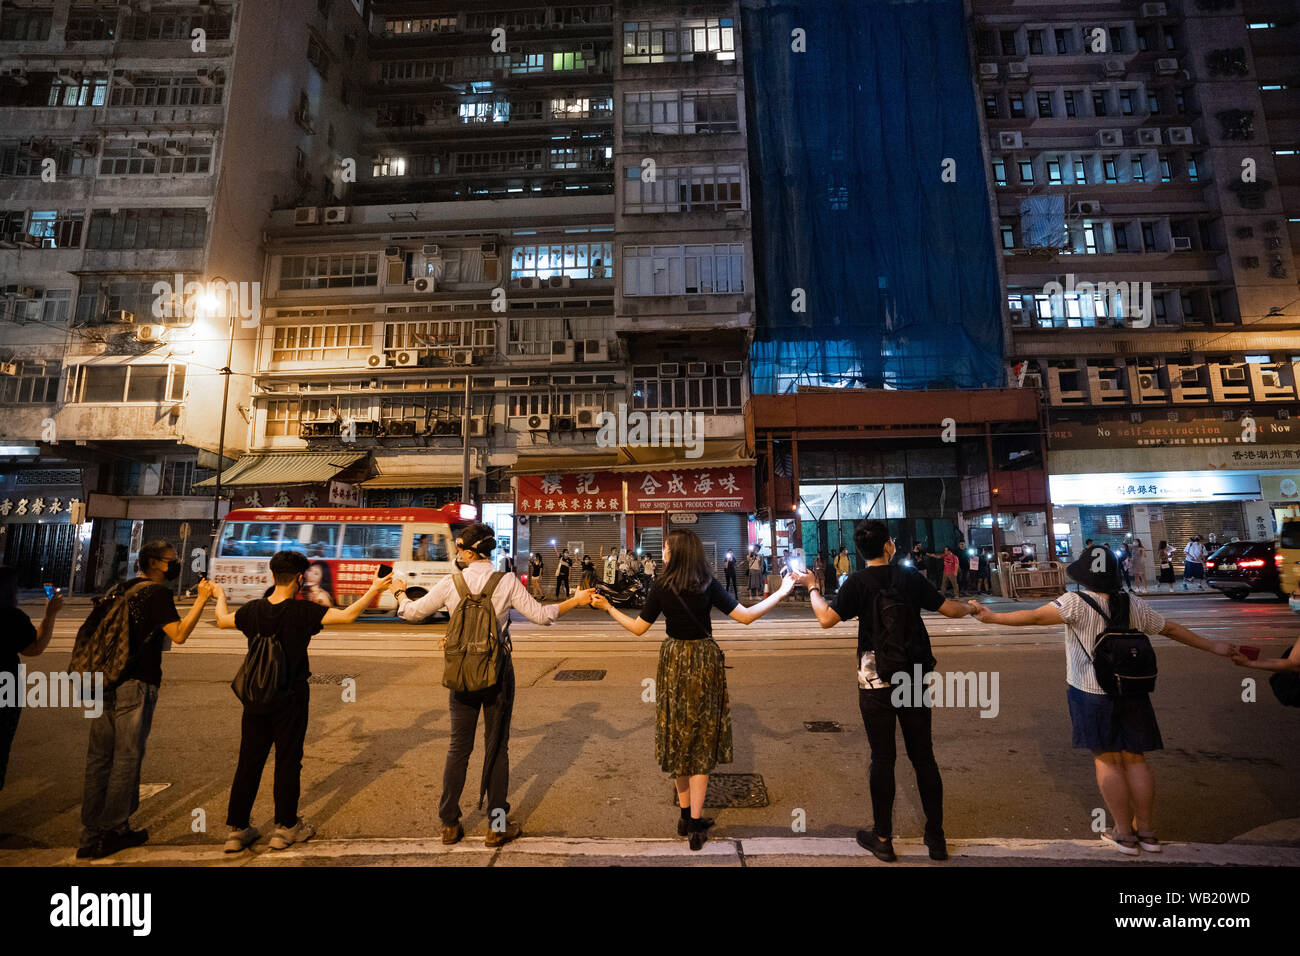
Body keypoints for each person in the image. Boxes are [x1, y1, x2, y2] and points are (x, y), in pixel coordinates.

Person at [967, 545, 1232, 855]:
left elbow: (1036, 618)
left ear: (1086, 577)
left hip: (1090, 693)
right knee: (1135, 758)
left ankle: (1123, 834)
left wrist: (991, 617)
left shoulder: (1075, 603)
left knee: (1107, 759)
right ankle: (1146, 831)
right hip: (1132, 690)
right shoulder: (1134, 604)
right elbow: (1170, 629)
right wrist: (1213, 646)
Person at [591, 529, 795, 850]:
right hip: (703, 661)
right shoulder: (707, 585)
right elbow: (746, 617)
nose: (664, 552)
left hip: (673, 661)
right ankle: (696, 823)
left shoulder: (662, 586)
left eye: (668, 548)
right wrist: (781, 592)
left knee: (677, 734)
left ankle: (686, 816)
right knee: (700, 738)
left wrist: (609, 608)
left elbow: (638, 628)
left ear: (678, 553)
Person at [394, 523, 593, 846]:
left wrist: (399, 592)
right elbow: (542, 616)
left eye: (460, 549)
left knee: (459, 748)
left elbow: (413, 612)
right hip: (497, 674)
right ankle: (497, 825)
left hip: (461, 674)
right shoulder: (506, 581)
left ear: (470, 552)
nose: (458, 553)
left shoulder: (451, 582)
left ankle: (449, 824)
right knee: (497, 748)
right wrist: (577, 601)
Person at [798, 521, 975, 862]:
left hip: (875, 680)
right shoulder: (909, 578)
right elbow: (949, 608)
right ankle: (936, 838)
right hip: (911, 677)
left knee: (882, 758)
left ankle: (883, 839)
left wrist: (812, 587)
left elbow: (825, 619)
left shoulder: (857, 583)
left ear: (861, 551)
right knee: (923, 757)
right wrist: (972, 608)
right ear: (889, 547)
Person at [211, 553, 392, 853]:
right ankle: (285, 828)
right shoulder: (302, 611)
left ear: (272, 577)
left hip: (254, 698)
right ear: (298, 579)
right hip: (290, 698)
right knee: (287, 760)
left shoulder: (253, 611)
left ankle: (237, 830)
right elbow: (346, 615)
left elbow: (221, 620)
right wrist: (374, 588)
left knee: (249, 761)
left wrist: (218, 594)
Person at [79, 541, 214, 859]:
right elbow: (178, 634)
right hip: (135, 683)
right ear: (155, 563)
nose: (176, 564)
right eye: (172, 560)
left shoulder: (120, 588)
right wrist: (202, 601)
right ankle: (113, 831)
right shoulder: (156, 593)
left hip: (103, 682)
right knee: (126, 759)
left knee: (99, 760)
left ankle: (89, 836)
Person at [0, 568, 61, 790]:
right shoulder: (10, 617)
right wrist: (50, 614)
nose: (17, 591)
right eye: (14, 586)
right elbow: (35, 647)